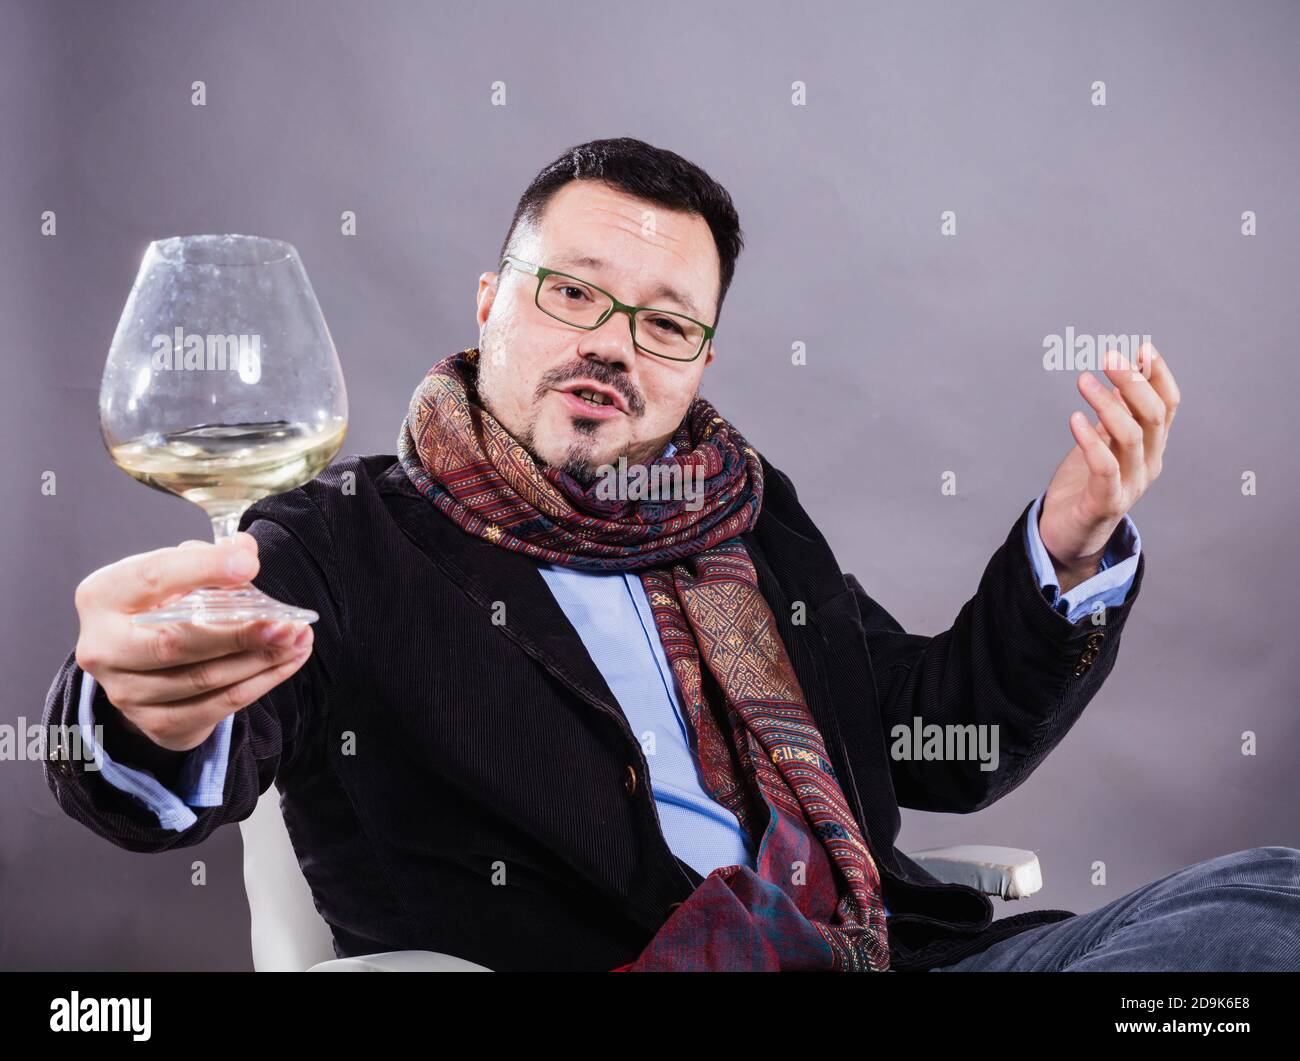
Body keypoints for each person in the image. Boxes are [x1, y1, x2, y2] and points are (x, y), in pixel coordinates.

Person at [46, 136, 1284, 974]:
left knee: (1263, 907)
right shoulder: (342, 543)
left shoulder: (747, 516)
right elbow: (185, 759)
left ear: (700, 359)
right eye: (572, 293)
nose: (613, 344)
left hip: (889, 951)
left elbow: (929, 740)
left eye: (666, 321)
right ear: (489, 302)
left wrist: (1067, 552)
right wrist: (143, 709)